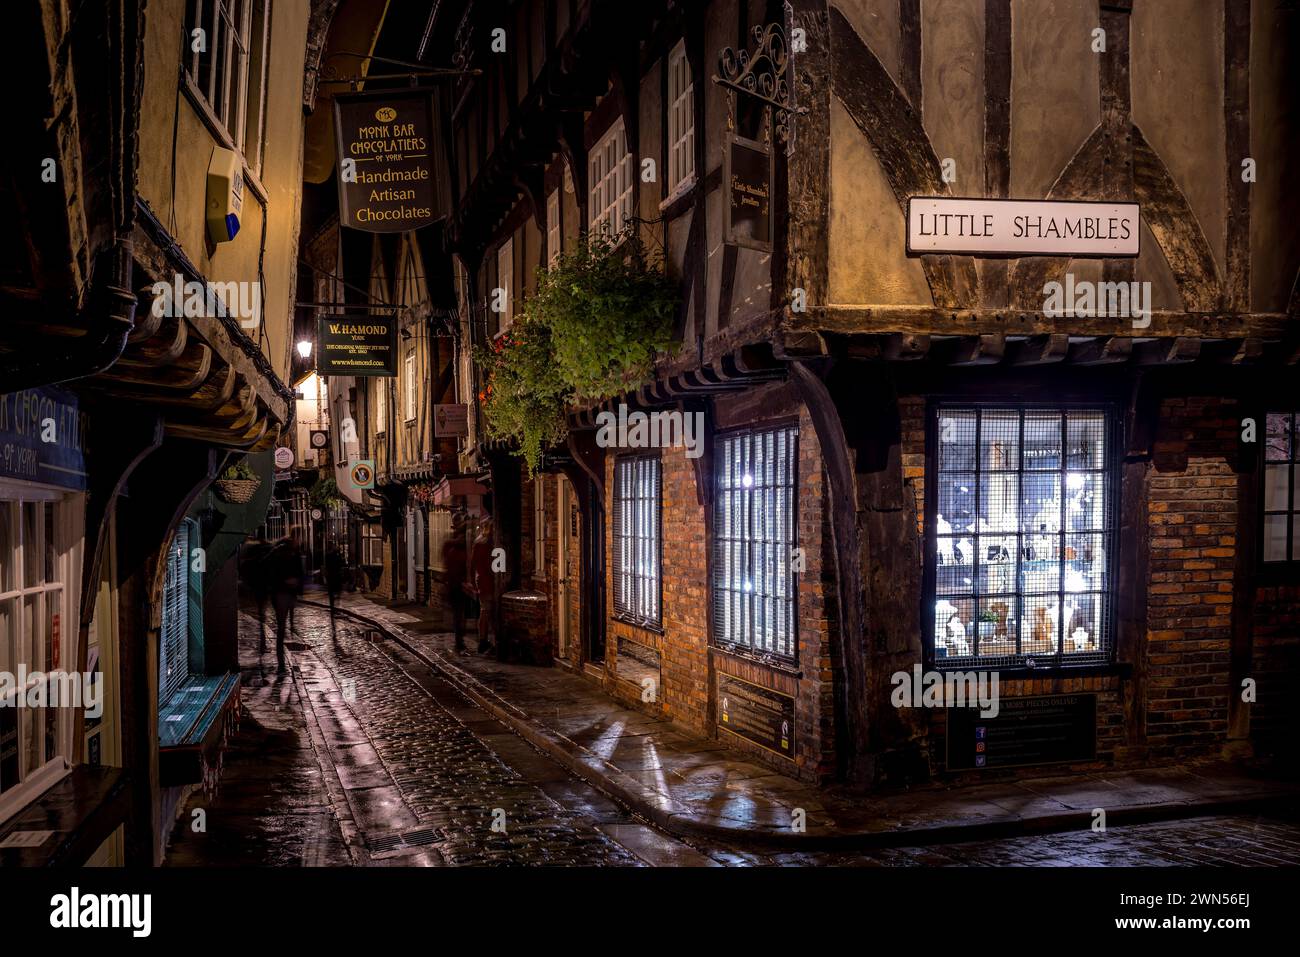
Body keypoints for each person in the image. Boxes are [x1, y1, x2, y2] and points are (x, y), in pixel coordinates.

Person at [266, 528, 306, 674]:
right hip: (281, 593)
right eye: (300, 537)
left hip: (289, 593)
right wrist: (285, 581)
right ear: (296, 537)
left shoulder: (296, 552)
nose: (301, 541)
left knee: (285, 625)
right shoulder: (281, 551)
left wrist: (298, 586)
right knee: (281, 628)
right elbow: (271, 571)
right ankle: (281, 664)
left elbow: (300, 573)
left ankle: (283, 661)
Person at [441, 514, 470, 654]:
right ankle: (459, 643)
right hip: (456, 586)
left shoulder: (450, 546)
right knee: (459, 616)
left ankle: (459, 642)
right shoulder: (457, 548)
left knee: (459, 616)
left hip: (456, 585)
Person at [469, 517, 496, 656]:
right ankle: (484, 640)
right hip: (488, 581)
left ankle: (484, 639)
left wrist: (473, 582)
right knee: (486, 611)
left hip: (481, 580)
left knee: (485, 610)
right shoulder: (489, 543)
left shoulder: (478, 542)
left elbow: (472, 565)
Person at [323, 542, 345, 621]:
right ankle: (334, 608)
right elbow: (340, 564)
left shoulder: (329, 555)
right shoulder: (335, 555)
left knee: (333, 593)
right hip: (334, 576)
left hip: (332, 577)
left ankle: (333, 608)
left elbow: (327, 566)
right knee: (336, 593)